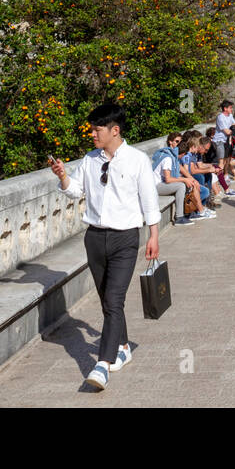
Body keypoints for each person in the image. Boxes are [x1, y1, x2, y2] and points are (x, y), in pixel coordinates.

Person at [48, 102, 159, 390]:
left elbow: (149, 200)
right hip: (95, 238)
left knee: (114, 300)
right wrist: (62, 176)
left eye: (97, 130)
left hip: (125, 238)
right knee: (107, 299)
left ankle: (102, 364)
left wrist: (154, 235)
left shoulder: (137, 160)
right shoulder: (90, 159)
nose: (92, 135)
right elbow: (76, 191)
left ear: (115, 130)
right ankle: (122, 345)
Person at [152, 132, 212, 224]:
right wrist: (185, 179)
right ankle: (179, 217)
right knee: (181, 186)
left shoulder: (173, 156)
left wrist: (192, 179)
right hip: (156, 186)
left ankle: (194, 212)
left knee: (192, 184)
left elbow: (181, 168)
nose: (178, 144)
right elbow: (168, 179)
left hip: (163, 184)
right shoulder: (168, 158)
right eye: (177, 141)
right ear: (170, 142)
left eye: (180, 141)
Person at [214, 100, 235, 182]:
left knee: (227, 160)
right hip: (219, 141)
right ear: (225, 108)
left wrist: (232, 127)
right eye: (230, 108)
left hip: (227, 141)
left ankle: (225, 176)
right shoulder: (220, 117)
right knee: (221, 162)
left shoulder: (230, 116)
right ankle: (218, 179)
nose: (231, 109)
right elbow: (227, 131)